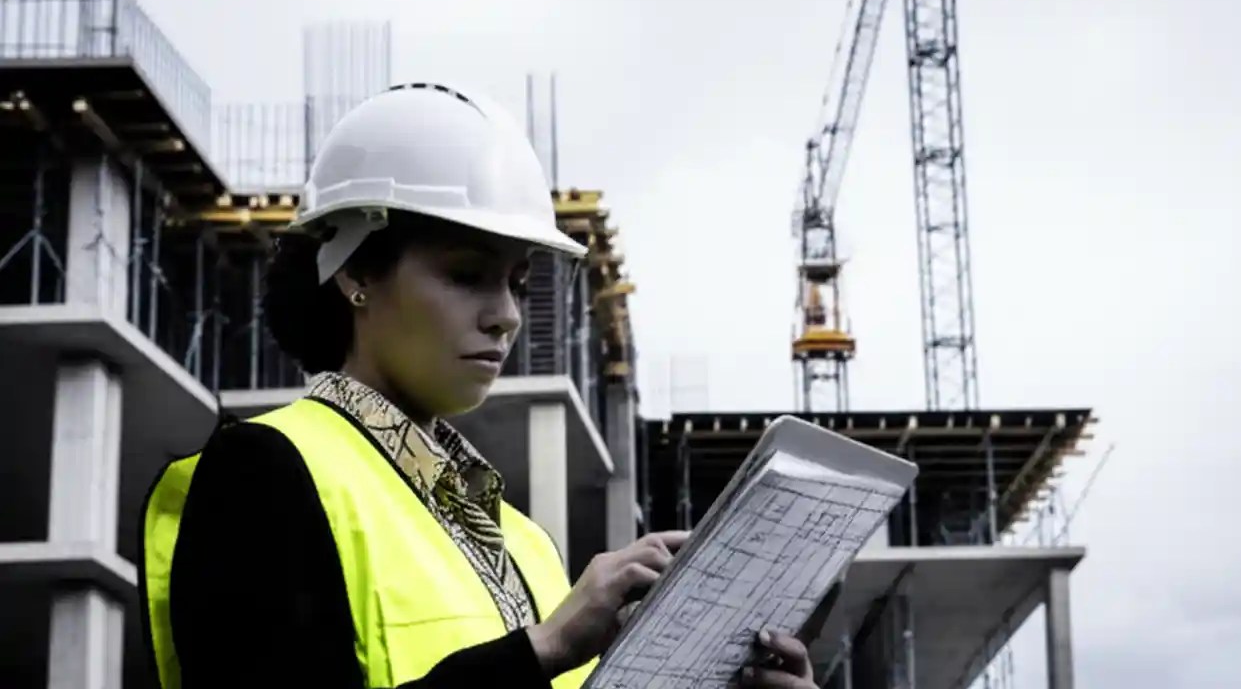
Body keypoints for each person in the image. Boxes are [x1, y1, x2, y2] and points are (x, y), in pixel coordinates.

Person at [138, 83, 818, 688]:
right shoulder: (264, 471)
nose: (508, 315)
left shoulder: (523, 542)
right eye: (467, 274)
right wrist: (544, 647)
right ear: (356, 274)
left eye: (518, 284)